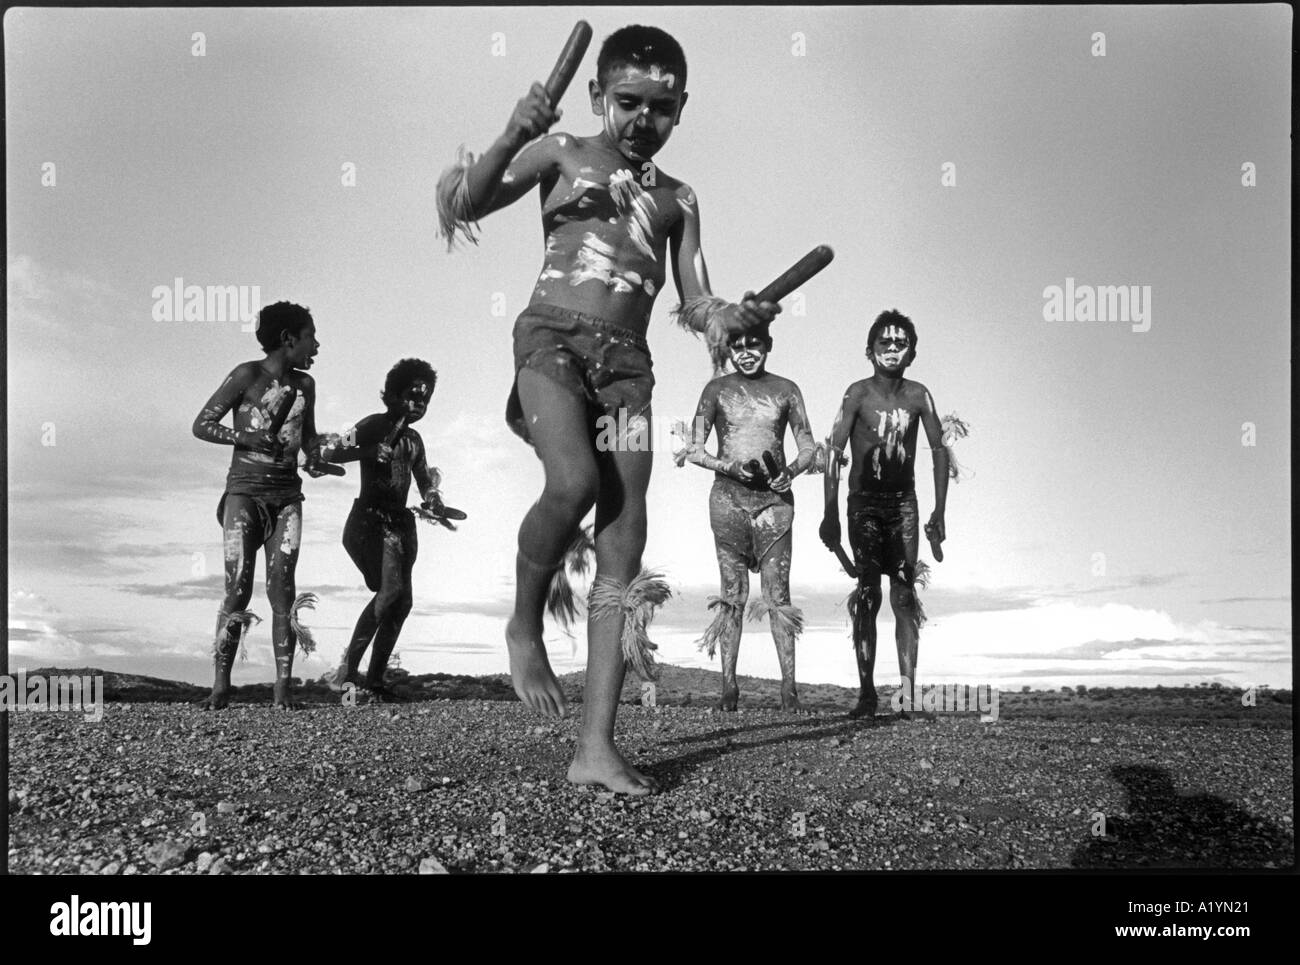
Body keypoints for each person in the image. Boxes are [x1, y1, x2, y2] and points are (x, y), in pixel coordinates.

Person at [436, 23, 778, 794]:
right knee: (573, 481)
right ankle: (525, 622)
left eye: (660, 107)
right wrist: (508, 135)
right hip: (553, 341)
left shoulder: (678, 199)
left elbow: (695, 301)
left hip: (628, 368)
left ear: (681, 109)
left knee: (623, 543)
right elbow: (469, 201)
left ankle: (596, 746)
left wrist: (731, 318)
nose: (641, 119)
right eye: (627, 101)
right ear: (597, 96)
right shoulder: (561, 152)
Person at [192, 301, 335, 710]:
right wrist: (245, 438)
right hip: (244, 496)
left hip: (288, 497)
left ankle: (283, 690)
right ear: (288, 339)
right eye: (311, 336)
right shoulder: (247, 375)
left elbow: (307, 439)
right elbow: (202, 424)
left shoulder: (305, 385)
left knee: (282, 592)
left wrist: (318, 459)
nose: (317, 345)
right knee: (236, 590)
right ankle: (221, 688)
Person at [677, 326, 816, 712]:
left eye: (753, 344)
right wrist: (729, 467)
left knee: (778, 596)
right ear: (728, 352)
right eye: (736, 347)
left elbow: (808, 444)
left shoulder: (787, 389)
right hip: (728, 503)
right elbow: (693, 447)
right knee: (732, 596)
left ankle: (789, 690)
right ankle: (728, 688)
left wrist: (790, 471)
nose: (745, 352)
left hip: (775, 504)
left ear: (768, 345)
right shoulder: (716, 390)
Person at [819, 310, 948, 718]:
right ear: (869, 350)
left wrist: (939, 510)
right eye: (884, 343)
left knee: (906, 594)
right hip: (863, 504)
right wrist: (830, 513)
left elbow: (939, 450)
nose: (892, 349)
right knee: (869, 593)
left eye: (900, 344)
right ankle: (867, 694)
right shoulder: (856, 394)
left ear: (912, 353)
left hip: (903, 504)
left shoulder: (919, 395)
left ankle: (908, 694)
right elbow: (834, 454)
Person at [324, 359, 444, 702]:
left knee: (402, 601)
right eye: (412, 395)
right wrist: (366, 450)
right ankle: (346, 674)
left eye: (426, 398)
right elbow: (330, 452)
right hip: (369, 521)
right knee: (389, 592)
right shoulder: (372, 425)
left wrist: (433, 498)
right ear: (391, 395)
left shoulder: (415, 439)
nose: (419, 403)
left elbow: (423, 481)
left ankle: (375, 680)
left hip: (400, 523)